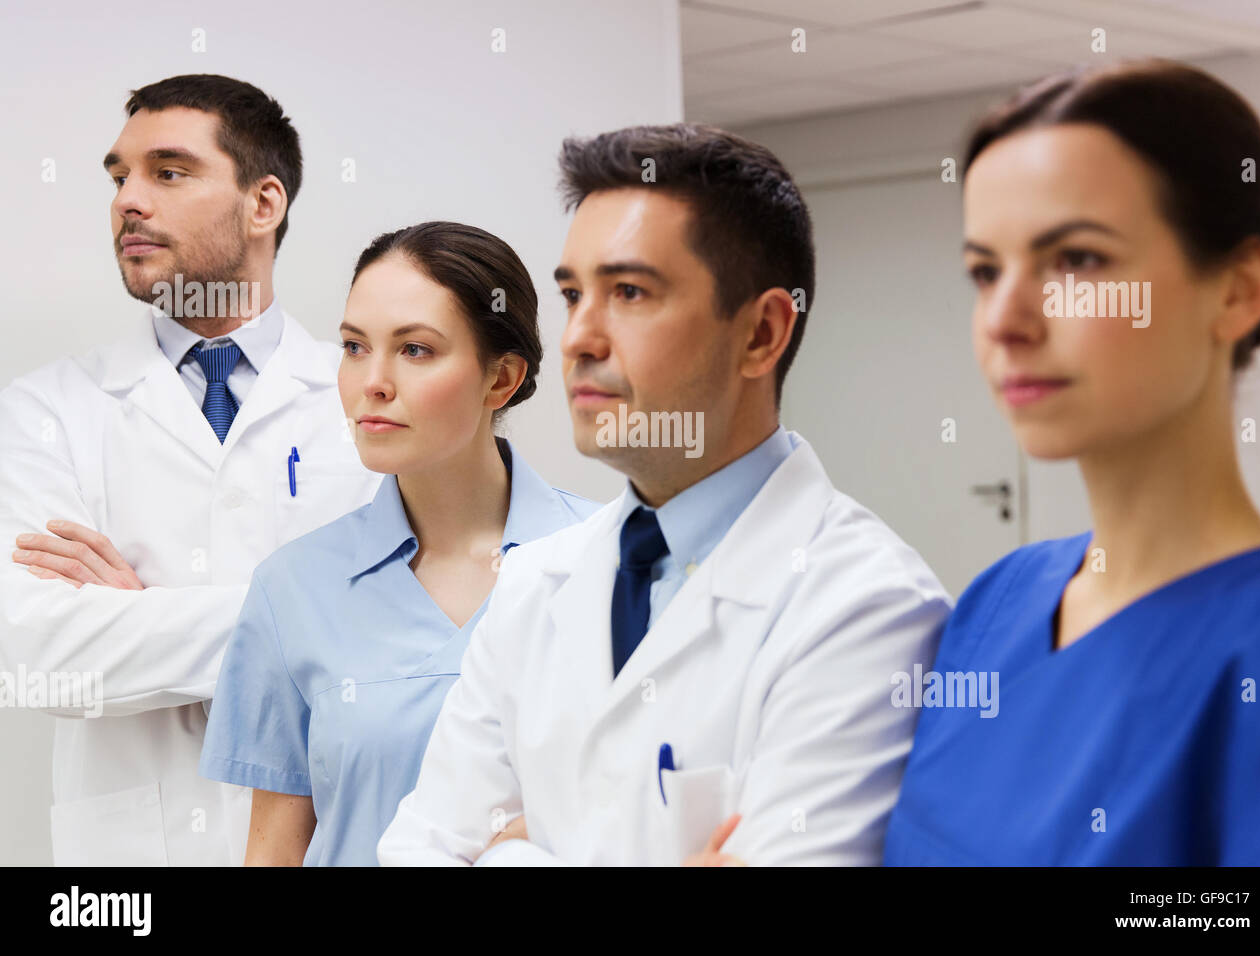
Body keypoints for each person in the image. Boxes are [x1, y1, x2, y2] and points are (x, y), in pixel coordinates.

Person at [378, 124, 952, 867]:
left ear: (761, 333)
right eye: (573, 295)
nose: (580, 338)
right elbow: (415, 852)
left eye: (629, 293)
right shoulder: (535, 583)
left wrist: (506, 857)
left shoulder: (866, 607)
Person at [884, 60, 1260, 865]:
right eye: (984, 271)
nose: (1004, 320)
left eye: (1075, 261)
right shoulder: (995, 605)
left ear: (1241, 289)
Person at [0, 75, 379, 865]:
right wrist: (312, 612)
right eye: (118, 176)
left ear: (263, 203)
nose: (128, 200)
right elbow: (32, 655)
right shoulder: (46, 410)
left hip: (330, 840)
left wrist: (144, 613)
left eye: (167, 173)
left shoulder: (371, 402)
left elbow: (419, 629)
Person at [198, 222, 599, 866]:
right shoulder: (292, 591)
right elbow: (274, 853)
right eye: (354, 348)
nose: (372, 383)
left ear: (502, 379)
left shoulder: (611, 562)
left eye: (414, 350)